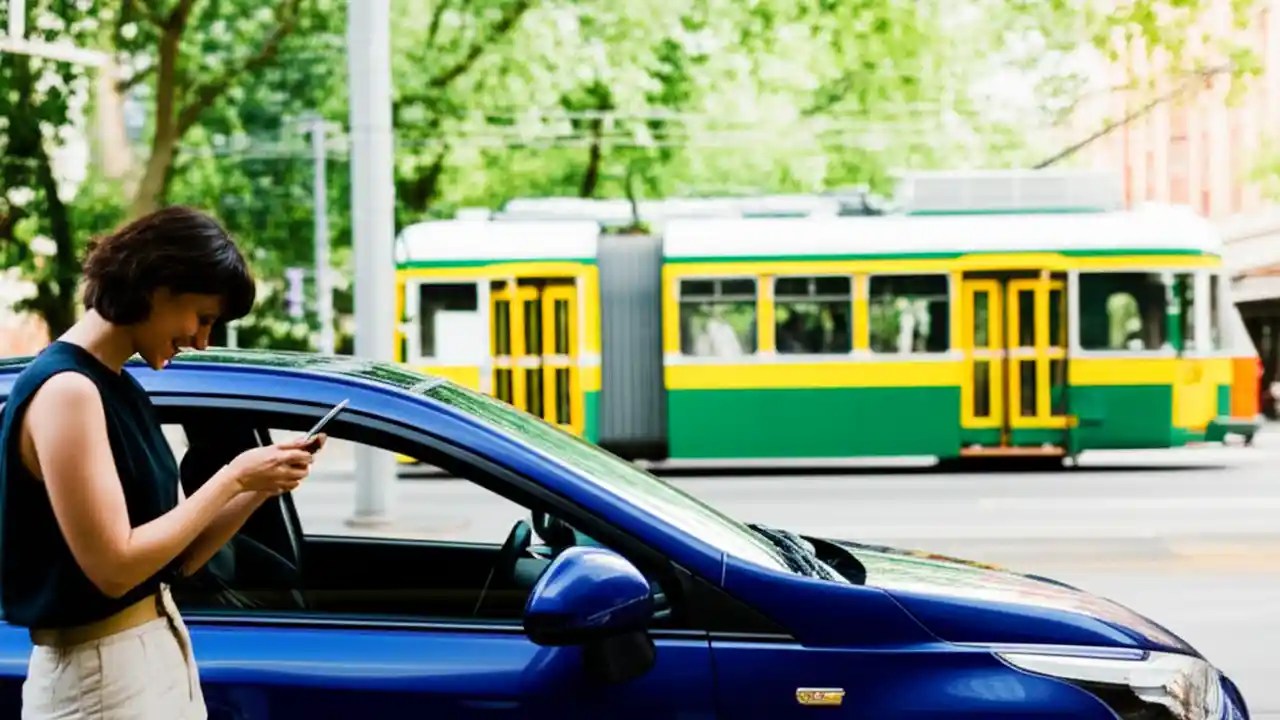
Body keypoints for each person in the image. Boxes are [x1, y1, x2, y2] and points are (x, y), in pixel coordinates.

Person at [0, 206, 323, 719]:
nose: (201, 340)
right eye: (204, 317)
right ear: (159, 285)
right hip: (98, 675)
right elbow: (113, 568)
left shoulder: (120, 387)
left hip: (151, 652)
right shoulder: (68, 391)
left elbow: (181, 556)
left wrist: (260, 484)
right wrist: (232, 476)